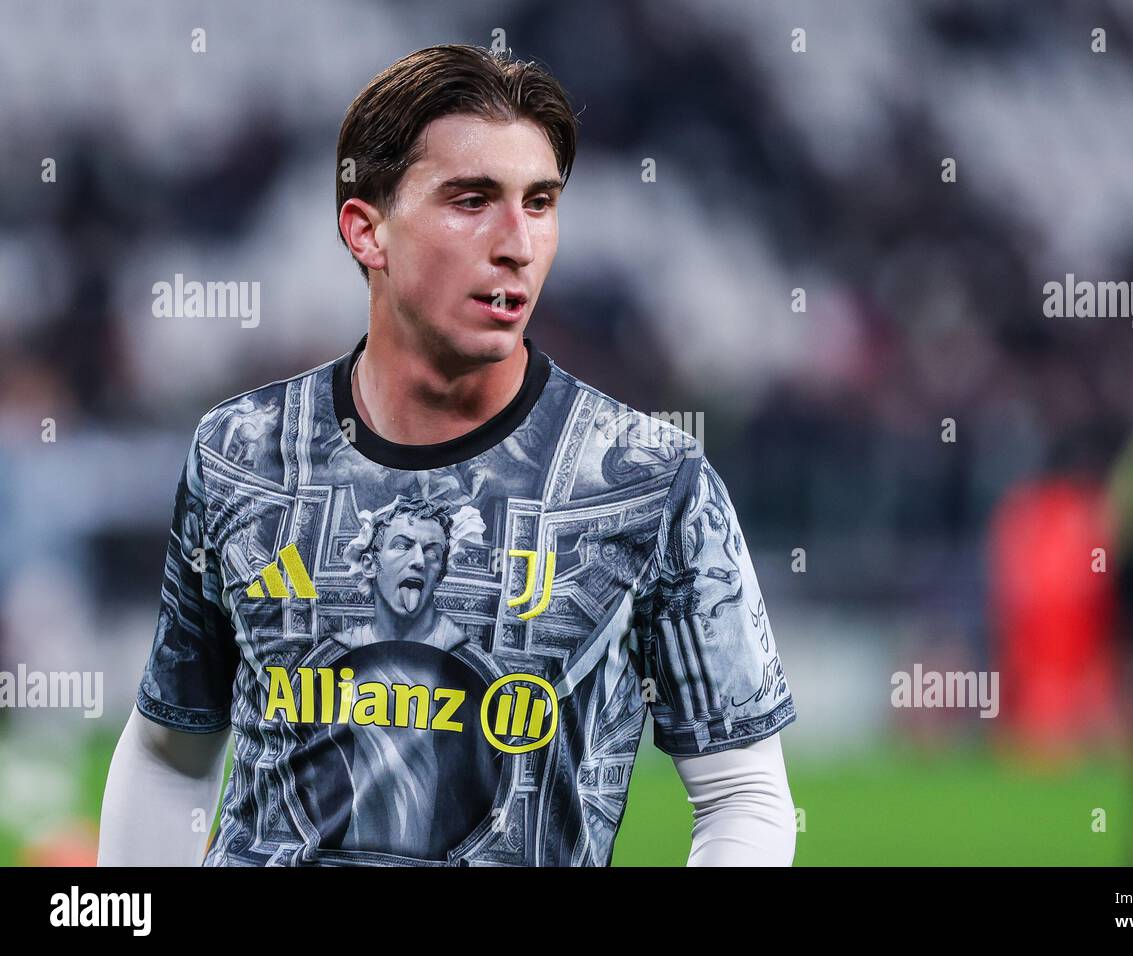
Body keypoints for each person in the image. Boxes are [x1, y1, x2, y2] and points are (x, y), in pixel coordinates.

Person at [99, 44, 797, 866]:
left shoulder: (648, 480)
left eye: (539, 203)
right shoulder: (242, 453)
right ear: (367, 231)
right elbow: (167, 754)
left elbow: (741, 796)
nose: (517, 243)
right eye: (472, 200)